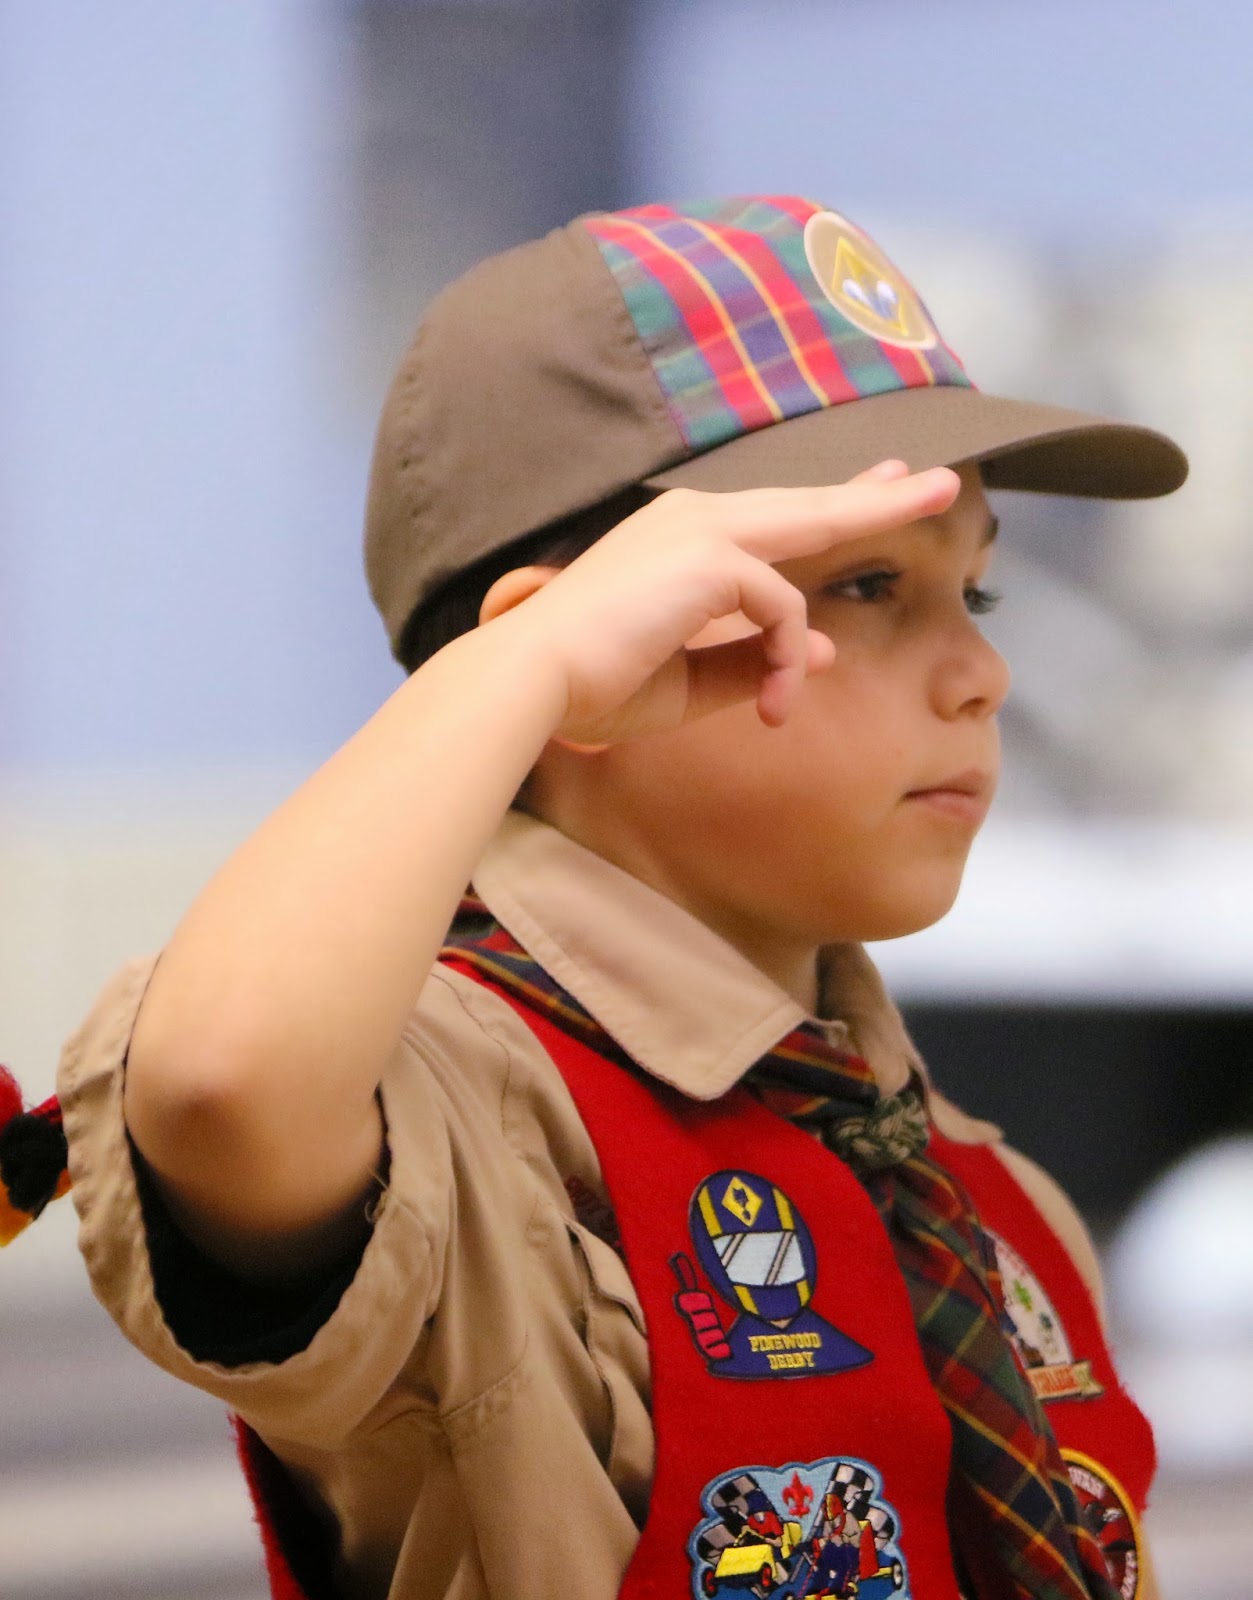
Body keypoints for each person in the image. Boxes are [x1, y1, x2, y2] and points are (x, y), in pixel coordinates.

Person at [41, 198, 1188, 1600]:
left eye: (979, 595)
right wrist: (512, 681)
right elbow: (221, 1083)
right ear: (593, 657)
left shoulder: (975, 1189)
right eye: (871, 583)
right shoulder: (464, 1111)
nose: (978, 675)